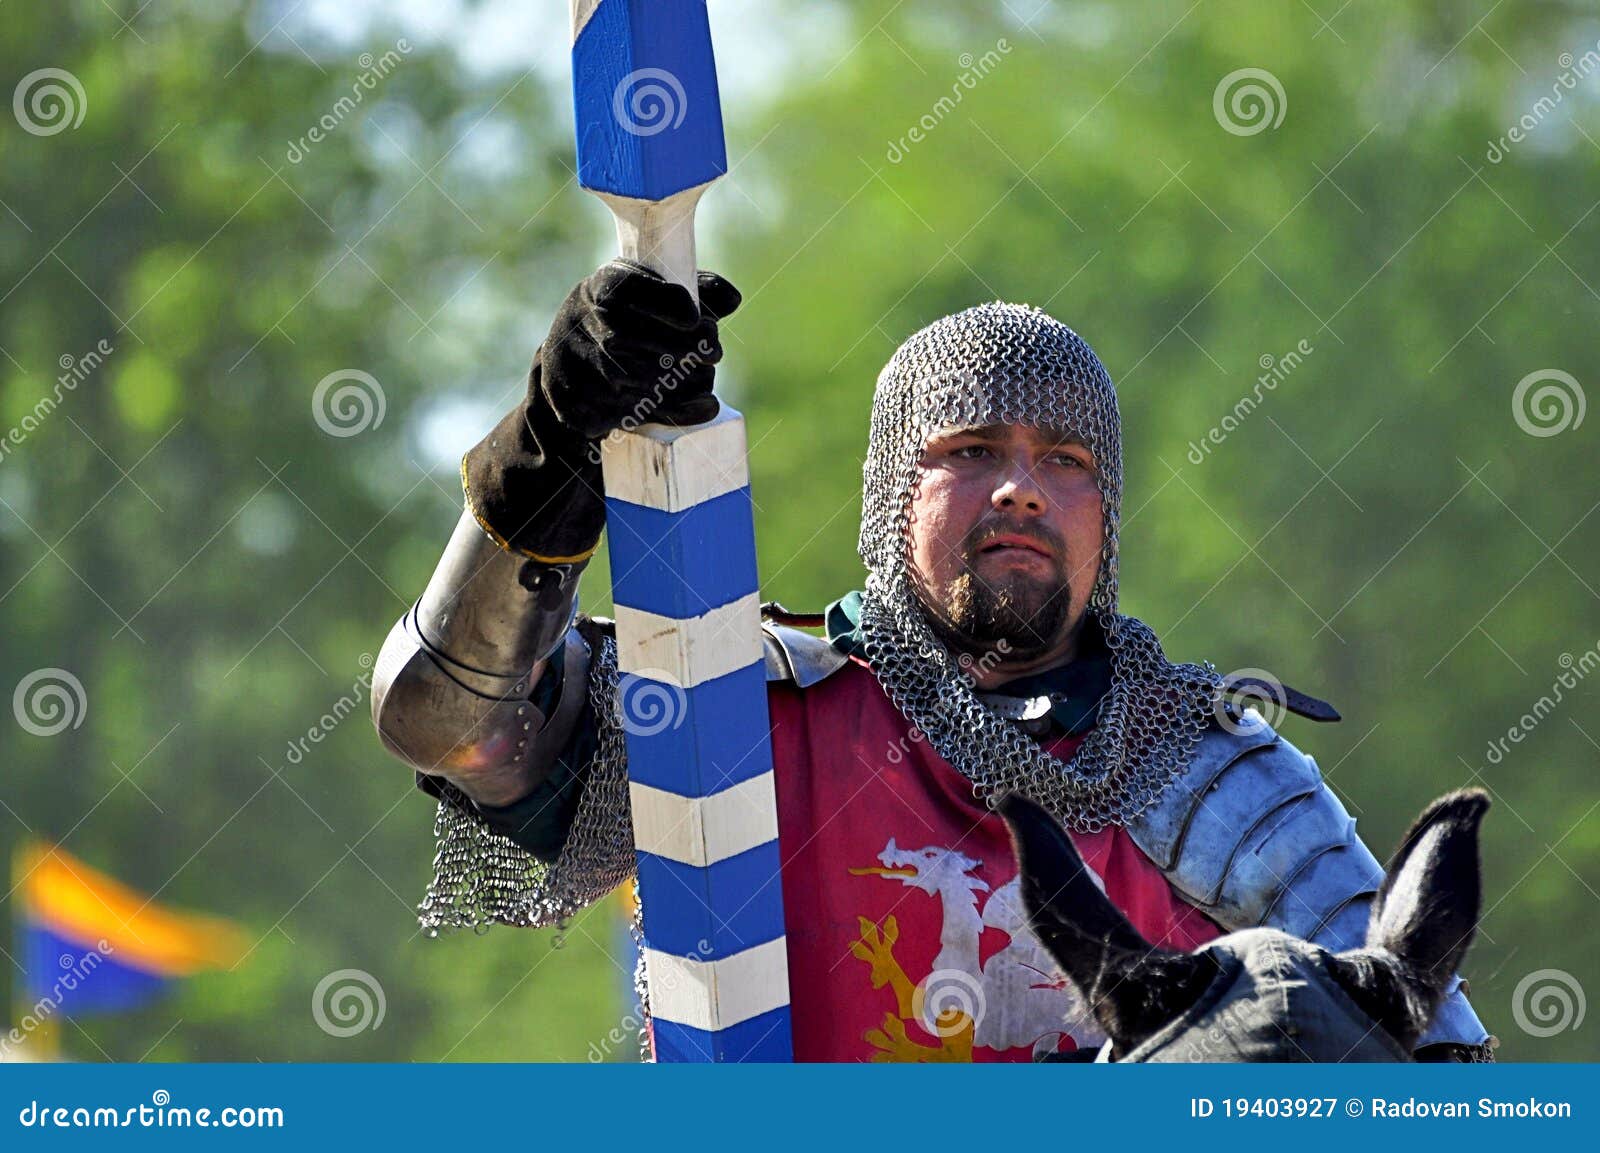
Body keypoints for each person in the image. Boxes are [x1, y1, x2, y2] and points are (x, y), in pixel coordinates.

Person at [371, 261, 1493, 1062]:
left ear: (1106, 514)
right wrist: (553, 453)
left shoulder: (1220, 777)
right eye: (970, 453)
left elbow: (1424, 1064)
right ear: (893, 494)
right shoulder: (741, 715)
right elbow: (447, 720)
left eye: (1063, 460)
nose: (1020, 486)